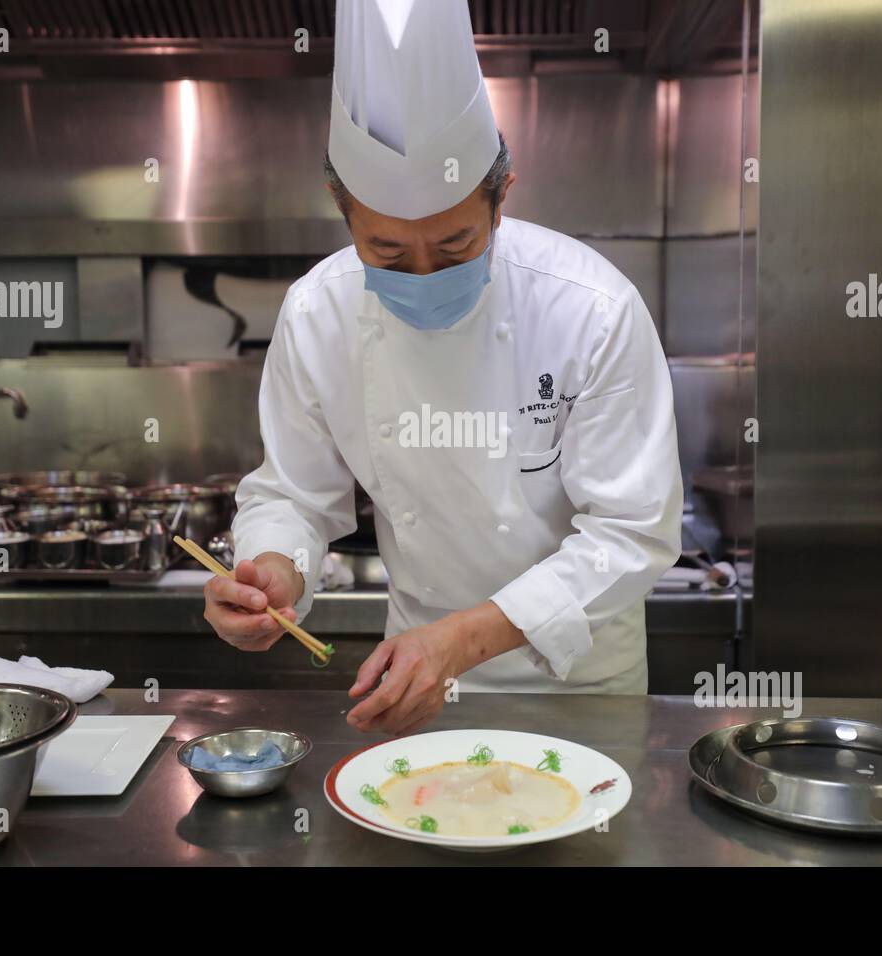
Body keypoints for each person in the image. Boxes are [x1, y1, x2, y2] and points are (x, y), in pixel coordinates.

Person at [204, 0, 683, 734]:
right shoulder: (315, 314)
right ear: (342, 207)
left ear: (502, 197)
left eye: (456, 247)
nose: (423, 275)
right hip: (421, 679)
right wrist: (276, 568)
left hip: (577, 680)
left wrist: (461, 639)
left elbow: (631, 534)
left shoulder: (592, 308)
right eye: (388, 254)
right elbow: (294, 496)